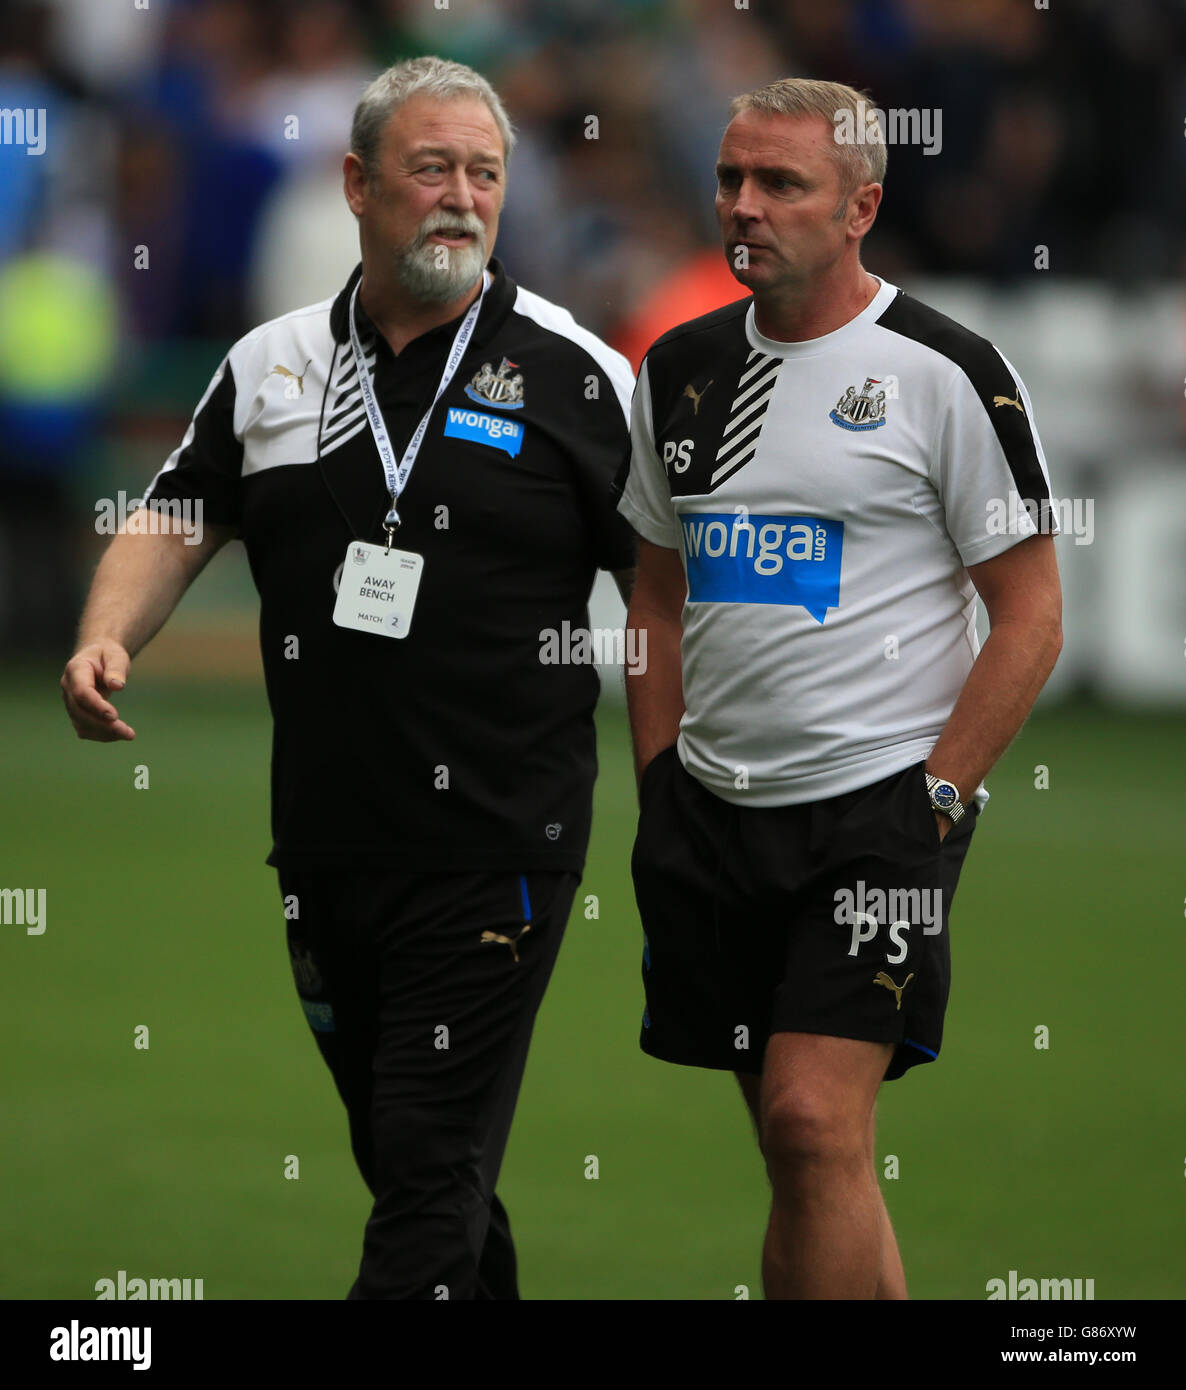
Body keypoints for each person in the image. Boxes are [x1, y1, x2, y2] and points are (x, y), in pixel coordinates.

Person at [60, 56, 636, 1300]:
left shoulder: (577, 372)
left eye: (485, 173)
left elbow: (669, 584)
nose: (461, 198)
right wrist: (108, 635)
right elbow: (173, 518)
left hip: (499, 839)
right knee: (416, 1168)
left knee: (425, 1178)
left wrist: (685, 775)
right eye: (431, 169)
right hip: (323, 841)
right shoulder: (269, 363)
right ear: (356, 184)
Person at [614, 78, 1062, 1300]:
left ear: (860, 205)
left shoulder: (943, 368)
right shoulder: (681, 370)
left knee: (813, 1122)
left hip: (878, 813)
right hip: (710, 815)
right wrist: (658, 782)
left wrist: (937, 800)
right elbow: (653, 601)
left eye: (780, 184)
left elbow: (1029, 618)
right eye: (729, 179)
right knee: (804, 1153)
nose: (742, 207)